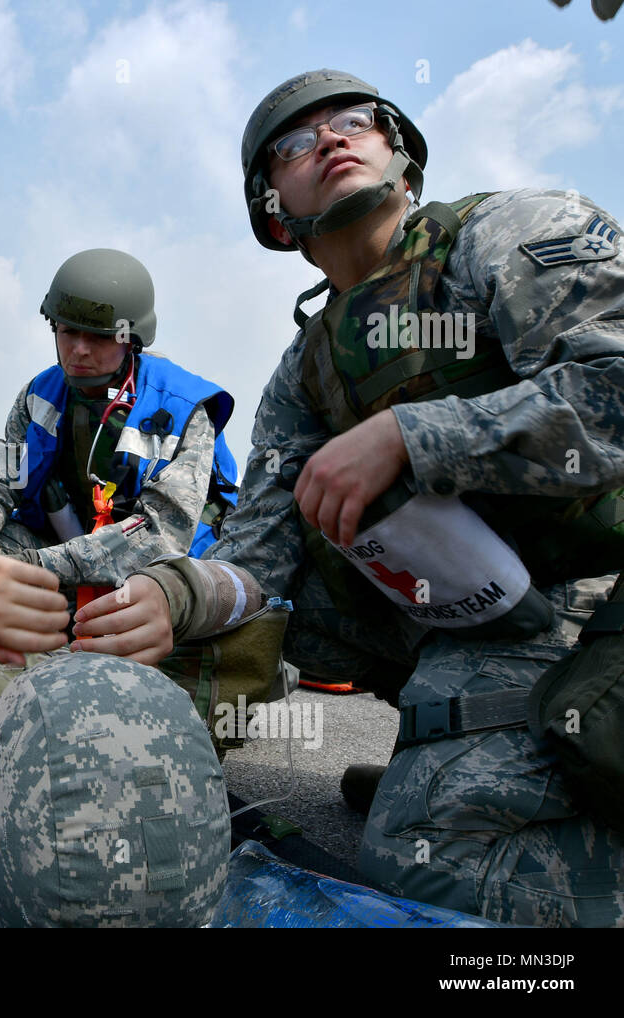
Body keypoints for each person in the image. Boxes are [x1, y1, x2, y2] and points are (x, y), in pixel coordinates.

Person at [73, 69, 624, 926]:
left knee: (422, 869)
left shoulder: (508, 235)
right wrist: (174, 596)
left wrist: (415, 436)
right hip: (473, 607)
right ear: (275, 212)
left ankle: (502, 768)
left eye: (355, 121)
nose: (330, 139)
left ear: (399, 152)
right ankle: (453, 744)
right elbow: (260, 550)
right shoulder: (306, 370)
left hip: (594, 590)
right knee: (199, 625)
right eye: (295, 143)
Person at [0, 249, 238, 591]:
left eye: (98, 336)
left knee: (156, 587)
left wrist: (35, 567)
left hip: (169, 569)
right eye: (68, 332)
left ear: (131, 340)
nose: (79, 349)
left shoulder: (181, 407)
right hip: (70, 552)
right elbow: (0, 477)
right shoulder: (39, 396)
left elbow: (161, 537)